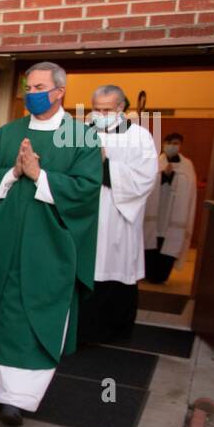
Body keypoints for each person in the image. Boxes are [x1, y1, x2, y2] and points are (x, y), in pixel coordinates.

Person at [0, 62, 102, 427]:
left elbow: (88, 190)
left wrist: (39, 175)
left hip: (48, 248)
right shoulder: (6, 134)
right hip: (3, 242)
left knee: (32, 314)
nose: (31, 92)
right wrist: (12, 173)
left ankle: (19, 397)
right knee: (1, 308)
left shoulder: (81, 137)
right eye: (28, 86)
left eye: (40, 86)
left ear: (60, 92)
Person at [76, 84, 159, 344]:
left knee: (112, 269)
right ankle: (76, 332)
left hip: (118, 216)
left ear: (121, 108)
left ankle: (110, 333)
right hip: (84, 217)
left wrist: (105, 163)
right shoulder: (79, 134)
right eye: (96, 109)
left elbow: (145, 178)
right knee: (82, 272)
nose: (100, 114)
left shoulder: (139, 137)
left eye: (107, 109)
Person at [143, 132, 197, 284]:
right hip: (156, 212)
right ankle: (150, 274)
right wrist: (162, 176)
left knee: (170, 245)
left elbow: (190, 187)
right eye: (171, 143)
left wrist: (175, 176)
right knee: (152, 243)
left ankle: (163, 275)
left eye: (177, 143)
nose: (173, 146)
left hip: (174, 214)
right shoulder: (154, 162)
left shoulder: (187, 165)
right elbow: (146, 182)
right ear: (164, 143)